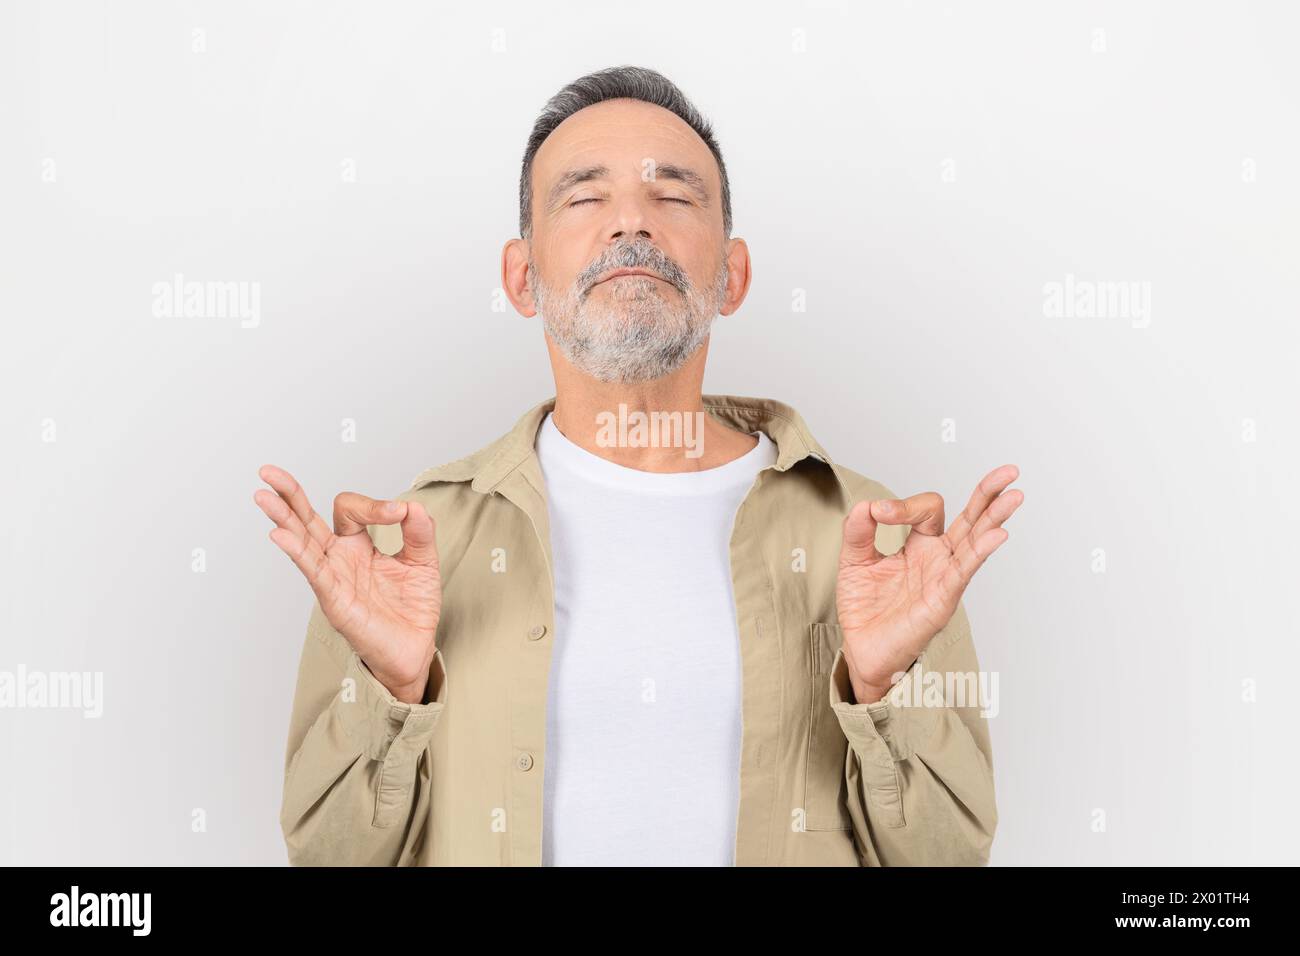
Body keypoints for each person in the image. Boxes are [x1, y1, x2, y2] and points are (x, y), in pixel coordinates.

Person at [254, 65, 1022, 866]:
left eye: (674, 198)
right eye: (585, 197)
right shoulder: (403, 551)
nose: (631, 224)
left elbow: (946, 859)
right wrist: (388, 692)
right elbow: (329, 860)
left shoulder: (884, 548)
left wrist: (887, 691)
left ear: (734, 276)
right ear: (522, 278)